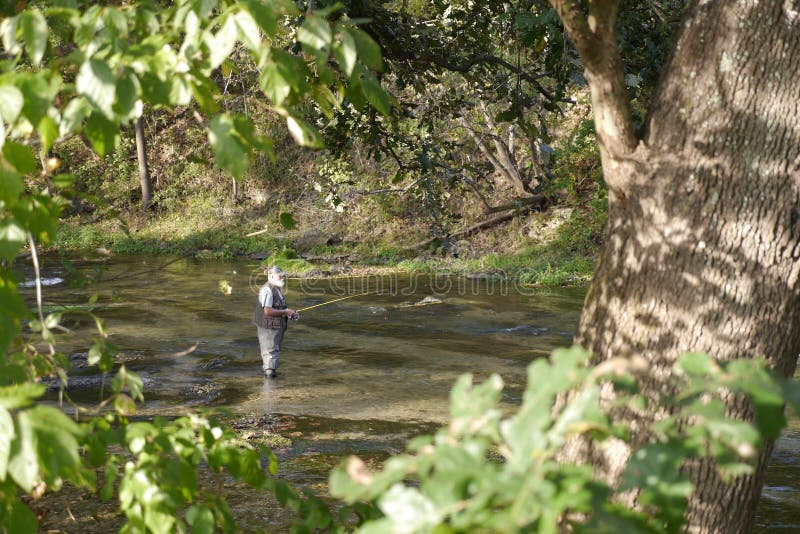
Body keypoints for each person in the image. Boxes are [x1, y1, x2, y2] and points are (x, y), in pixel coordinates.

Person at [253, 266, 298, 378]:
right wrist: (286, 312)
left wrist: (290, 314)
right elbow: (267, 311)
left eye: (283, 275)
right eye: (280, 275)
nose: (283, 276)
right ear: (271, 276)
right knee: (271, 354)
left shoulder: (276, 288)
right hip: (268, 328)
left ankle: (270, 380)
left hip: (275, 327)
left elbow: (279, 308)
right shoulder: (267, 290)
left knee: (273, 353)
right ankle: (270, 387)